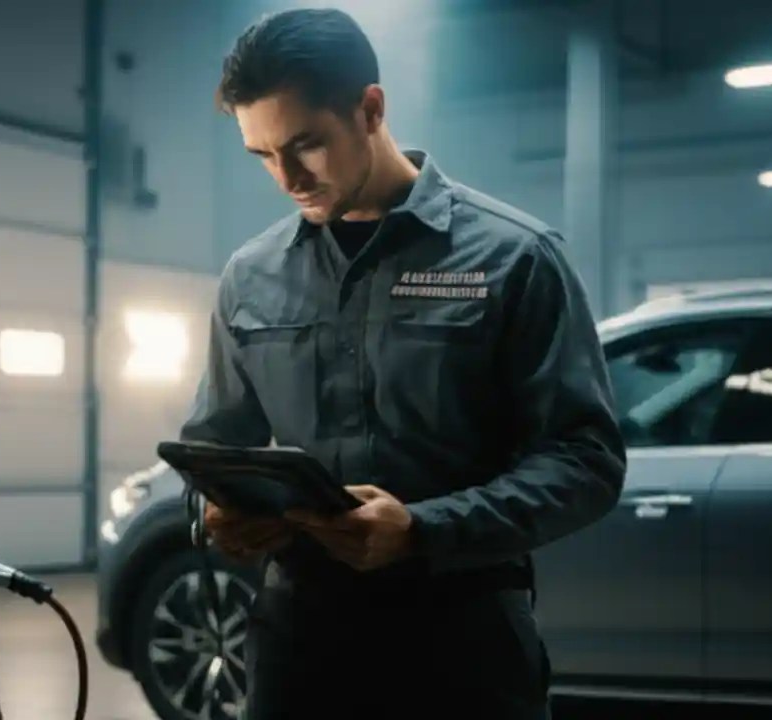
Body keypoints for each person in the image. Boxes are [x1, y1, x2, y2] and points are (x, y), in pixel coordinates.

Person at [179, 8, 627, 719]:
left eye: (305, 145)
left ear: (371, 108)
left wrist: (425, 530)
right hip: (300, 647)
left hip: (463, 646)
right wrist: (216, 512)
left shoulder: (515, 258)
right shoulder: (251, 275)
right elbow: (212, 446)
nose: (287, 177)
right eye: (262, 156)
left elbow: (586, 461)